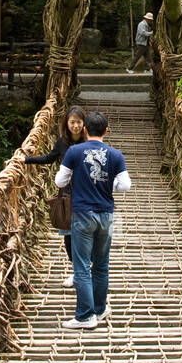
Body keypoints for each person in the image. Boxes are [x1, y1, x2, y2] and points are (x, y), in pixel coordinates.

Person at [54, 109, 131, 329]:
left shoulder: (75, 152)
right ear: (106, 131)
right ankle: (100, 308)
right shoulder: (116, 155)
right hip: (107, 215)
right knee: (101, 265)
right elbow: (125, 185)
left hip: (83, 214)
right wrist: (109, 185)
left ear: (85, 130)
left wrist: (77, 179)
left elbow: (60, 181)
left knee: (81, 266)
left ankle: (86, 315)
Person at [23, 104, 86, 287]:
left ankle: (83, 271)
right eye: (72, 122)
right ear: (66, 123)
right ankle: (76, 271)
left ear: (84, 124)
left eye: (78, 122)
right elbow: (49, 158)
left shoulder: (89, 142)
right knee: (68, 235)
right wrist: (27, 159)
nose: (75, 126)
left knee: (84, 235)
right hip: (67, 194)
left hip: (85, 195)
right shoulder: (62, 143)